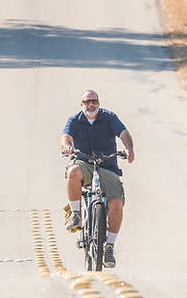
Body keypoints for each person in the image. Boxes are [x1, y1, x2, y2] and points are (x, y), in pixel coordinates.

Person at [60, 89, 135, 269]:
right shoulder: (75, 120)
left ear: (98, 103)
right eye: (87, 102)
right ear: (82, 104)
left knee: (116, 204)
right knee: (73, 172)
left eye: (94, 101)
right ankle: (76, 214)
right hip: (84, 161)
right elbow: (66, 137)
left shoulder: (109, 117)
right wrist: (67, 147)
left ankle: (109, 246)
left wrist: (129, 148)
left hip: (107, 165)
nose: (91, 105)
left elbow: (123, 132)